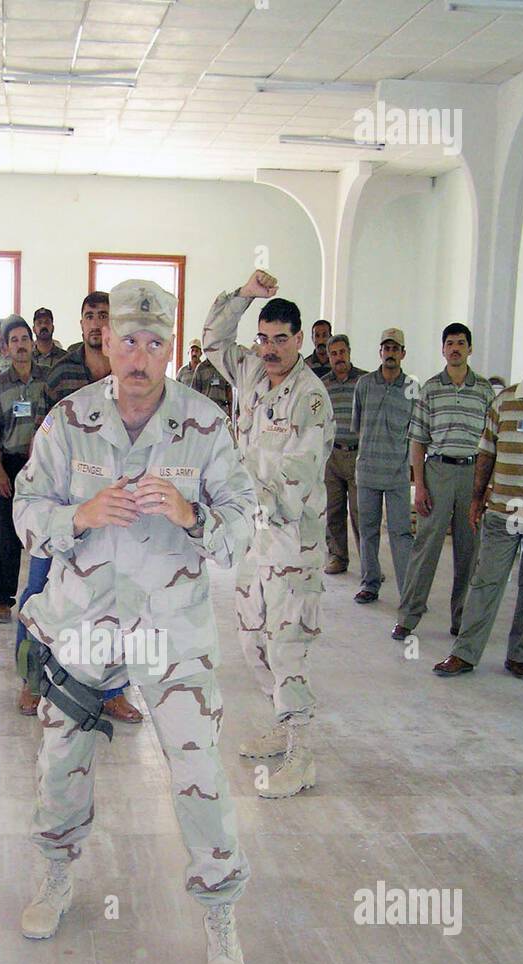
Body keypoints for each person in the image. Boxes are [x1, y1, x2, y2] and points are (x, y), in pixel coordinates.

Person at [14, 279, 255, 964]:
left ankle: (220, 913)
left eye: (155, 343)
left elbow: (245, 529)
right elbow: (25, 510)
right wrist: (78, 516)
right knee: (61, 759)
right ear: (106, 341)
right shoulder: (68, 420)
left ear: (170, 347)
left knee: (201, 775)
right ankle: (55, 874)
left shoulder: (206, 426)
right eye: (127, 340)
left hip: (171, 632)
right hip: (85, 623)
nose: (140, 356)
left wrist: (191, 515)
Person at [204, 273, 334, 798]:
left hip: (292, 541)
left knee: (287, 643)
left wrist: (237, 495)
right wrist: (243, 293)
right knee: (251, 635)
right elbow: (213, 339)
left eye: (282, 339)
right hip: (255, 539)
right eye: (264, 337)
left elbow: (298, 477)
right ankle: (283, 727)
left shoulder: (312, 397)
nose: (271, 348)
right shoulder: (252, 373)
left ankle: (303, 753)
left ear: (300, 340)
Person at [16, 291, 141, 725]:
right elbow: (41, 431)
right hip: (62, 503)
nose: (95, 324)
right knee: (38, 590)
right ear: (82, 322)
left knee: (117, 598)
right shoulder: (61, 372)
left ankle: (112, 689)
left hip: (112, 509)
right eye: (89, 315)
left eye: (103, 317)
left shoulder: (129, 374)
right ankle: (33, 679)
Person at [434, 334, 523, 681]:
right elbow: (486, 452)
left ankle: (519, 656)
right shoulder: (505, 401)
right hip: (501, 513)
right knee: (486, 583)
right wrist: (477, 497)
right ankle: (464, 653)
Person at [392, 323, 493, 641]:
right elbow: (418, 440)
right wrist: (419, 485)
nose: (455, 349)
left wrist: (487, 486)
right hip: (438, 473)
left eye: (461, 343)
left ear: (470, 348)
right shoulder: (431, 389)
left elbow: (492, 444)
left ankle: (461, 617)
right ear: (443, 349)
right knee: (425, 547)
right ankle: (408, 617)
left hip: (472, 474)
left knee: (468, 549)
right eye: (450, 343)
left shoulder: (485, 391)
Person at [0, 317, 49, 622]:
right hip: (11, 463)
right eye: (14, 340)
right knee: (6, 533)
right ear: (6, 348)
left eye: (25, 339)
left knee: (45, 530)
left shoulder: (47, 381)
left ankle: (46, 595)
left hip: (45, 466)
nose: (20, 345)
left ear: (32, 344)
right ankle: (3, 601)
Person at [351, 329, 415, 604]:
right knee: (368, 530)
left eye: (395, 348)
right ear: (380, 352)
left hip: (398, 474)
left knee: (401, 534)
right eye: (386, 348)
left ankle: (408, 593)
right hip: (367, 472)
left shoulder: (412, 387)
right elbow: (357, 426)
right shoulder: (364, 384)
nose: (390, 353)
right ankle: (369, 583)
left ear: (403, 353)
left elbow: (417, 432)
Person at [323, 333, 366, 574]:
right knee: (333, 510)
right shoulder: (323, 384)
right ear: (329, 357)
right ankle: (338, 556)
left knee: (361, 512)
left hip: (358, 454)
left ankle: (369, 564)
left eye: (342, 352)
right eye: (333, 354)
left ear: (349, 352)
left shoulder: (364, 381)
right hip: (332, 455)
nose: (338, 357)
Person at [31, 308, 67, 378]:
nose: (43, 326)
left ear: (53, 328)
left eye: (47, 322)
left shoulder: (65, 358)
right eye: (39, 323)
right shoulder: (27, 359)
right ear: (34, 329)